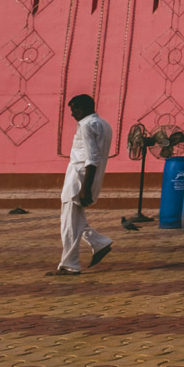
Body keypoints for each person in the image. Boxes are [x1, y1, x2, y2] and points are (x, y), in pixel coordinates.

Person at [51, 94, 114, 276]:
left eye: (74, 110)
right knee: (74, 219)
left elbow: (92, 158)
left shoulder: (87, 126)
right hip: (86, 178)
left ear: (83, 108)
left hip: (78, 178)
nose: (73, 114)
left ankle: (70, 265)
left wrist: (85, 188)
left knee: (69, 222)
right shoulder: (104, 124)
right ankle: (99, 243)